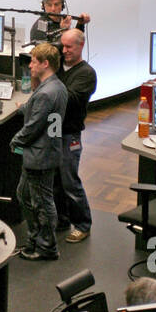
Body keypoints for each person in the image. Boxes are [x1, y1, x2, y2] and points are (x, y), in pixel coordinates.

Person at [10, 42, 67, 262]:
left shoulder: (46, 93)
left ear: (45, 63)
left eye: (34, 61)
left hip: (40, 155)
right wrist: (25, 108)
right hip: (45, 151)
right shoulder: (56, 87)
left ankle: (47, 247)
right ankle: (35, 239)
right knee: (24, 196)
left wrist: (15, 140)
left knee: (42, 203)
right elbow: (39, 113)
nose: (30, 65)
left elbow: (33, 127)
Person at [55, 29, 97, 244]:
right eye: (63, 46)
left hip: (69, 134)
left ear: (81, 46)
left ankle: (83, 225)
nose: (65, 50)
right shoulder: (59, 66)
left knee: (69, 181)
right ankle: (61, 220)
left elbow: (68, 99)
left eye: (69, 47)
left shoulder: (86, 74)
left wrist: (48, 84)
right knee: (55, 180)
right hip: (53, 131)